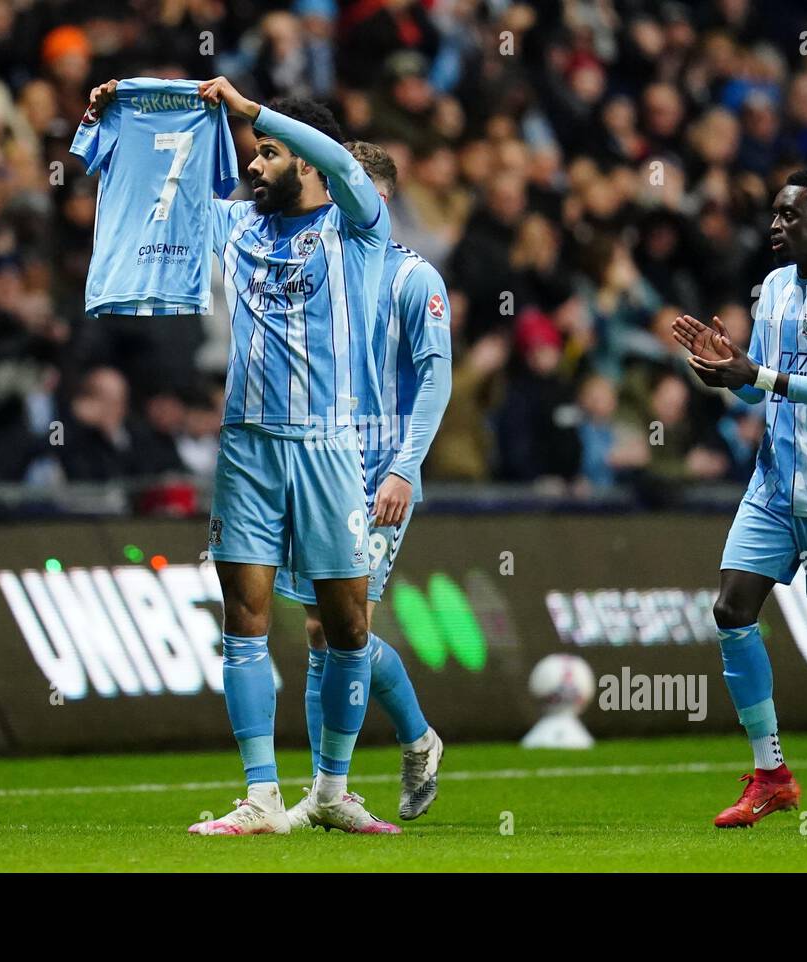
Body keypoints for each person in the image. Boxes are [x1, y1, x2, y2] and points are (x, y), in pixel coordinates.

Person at [88, 76, 392, 835]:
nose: (252, 165)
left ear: (308, 163)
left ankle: (331, 791)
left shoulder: (357, 229)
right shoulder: (239, 227)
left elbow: (346, 168)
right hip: (248, 446)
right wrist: (111, 124)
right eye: (253, 154)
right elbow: (149, 188)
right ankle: (261, 797)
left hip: (327, 447)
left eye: (268, 154)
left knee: (348, 629)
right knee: (244, 618)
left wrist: (257, 112)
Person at [673, 168, 807, 830]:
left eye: (788, 216)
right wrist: (725, 371)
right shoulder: (771, 292)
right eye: (772, 215)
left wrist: (758, 373)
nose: (774, 226)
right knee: (731, 610)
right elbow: (762, 390)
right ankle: (772, 775)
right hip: (773, 486)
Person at [273, 141, 450, 827]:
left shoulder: (413, 279)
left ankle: (332, 789)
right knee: (322, 632)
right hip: (316, 465)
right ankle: (412, 743)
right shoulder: (315, 270)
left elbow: (436, 377)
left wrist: (406, 465)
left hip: (379, 472)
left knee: (339, 625)